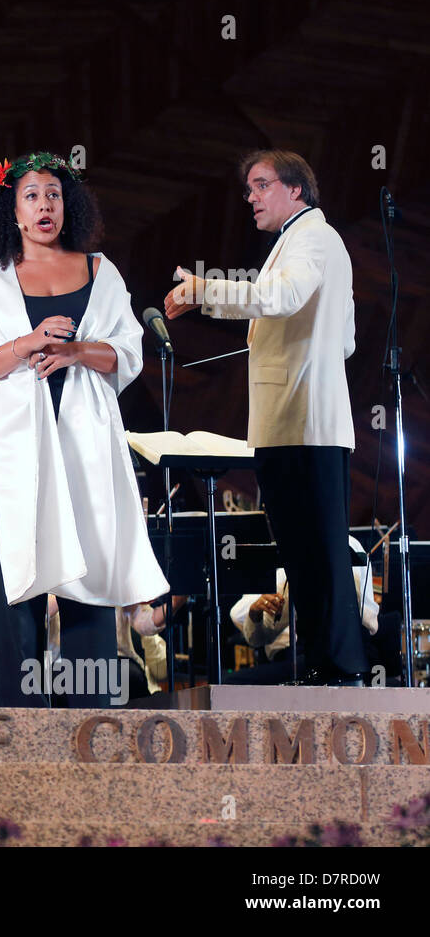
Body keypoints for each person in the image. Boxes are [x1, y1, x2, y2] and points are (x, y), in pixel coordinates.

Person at [0, 152, 167, 707]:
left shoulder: (100, 269)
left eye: (53, 193)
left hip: (85, 445)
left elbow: (126, 353)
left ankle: (91, 722)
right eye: (31, 195)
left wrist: (73, 350)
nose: (44, 205)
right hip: (11, 452)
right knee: (16, 589)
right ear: (14, 211)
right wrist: (28, 343)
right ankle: (22, 724)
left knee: (88, 581)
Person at [163, 150, 365, 685]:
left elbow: (281, 297)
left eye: (260, 185)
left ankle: (340, 668)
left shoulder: (313, 238)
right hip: (296, 420)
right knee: (304, 554)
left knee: (318, 553)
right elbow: (343, 340)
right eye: (249, 187)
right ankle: (325, 663)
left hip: (306, 423)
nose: (250, 196)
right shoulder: (304, 240)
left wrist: (204, 289)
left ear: (295, 189)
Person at [227, 536, 378, 684]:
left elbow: (361, 621)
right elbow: (260, 636)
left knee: (232, 683)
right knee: (232, 682)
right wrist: (255, 613)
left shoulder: (349, 545)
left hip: (349, 654)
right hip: (307, 657)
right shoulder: (293, 557)